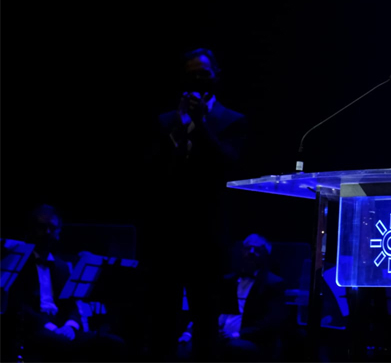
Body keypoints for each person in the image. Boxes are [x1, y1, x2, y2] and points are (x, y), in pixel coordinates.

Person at [142, 48, 248, 361]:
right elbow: (152, 172)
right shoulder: (165, 121)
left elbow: (227, 165)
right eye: (191, 73)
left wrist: (200, 124)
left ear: (216, 75)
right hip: (167, 237)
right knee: (162, 323)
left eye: (204, 72)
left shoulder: (231, 121)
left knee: (205, 322)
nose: (198, 78)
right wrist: (177, 129)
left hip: (207, 239)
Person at [1, 205, 126, 362]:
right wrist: (52, 328)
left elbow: (72, 305)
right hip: (35, 325)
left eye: (51, 228)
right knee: (62, 345)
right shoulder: (18, 262)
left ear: (59, 232)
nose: (47, 232)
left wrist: (70, 326)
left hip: (61, 325)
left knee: (113, 343)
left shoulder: (63, 267)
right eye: (41, 227)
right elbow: (19, 304)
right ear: (31, 229)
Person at [176, 234, 286, 362]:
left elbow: (270, 323)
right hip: (219, 335)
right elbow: (208, 311)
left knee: (228, 347)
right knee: (184, 348)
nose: (251, 252)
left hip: (248, 339)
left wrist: (236, 334)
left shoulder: (274, 283)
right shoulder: (228, 280)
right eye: (248, 248)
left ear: (266, 255)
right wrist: (188, 334)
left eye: (257, 249)